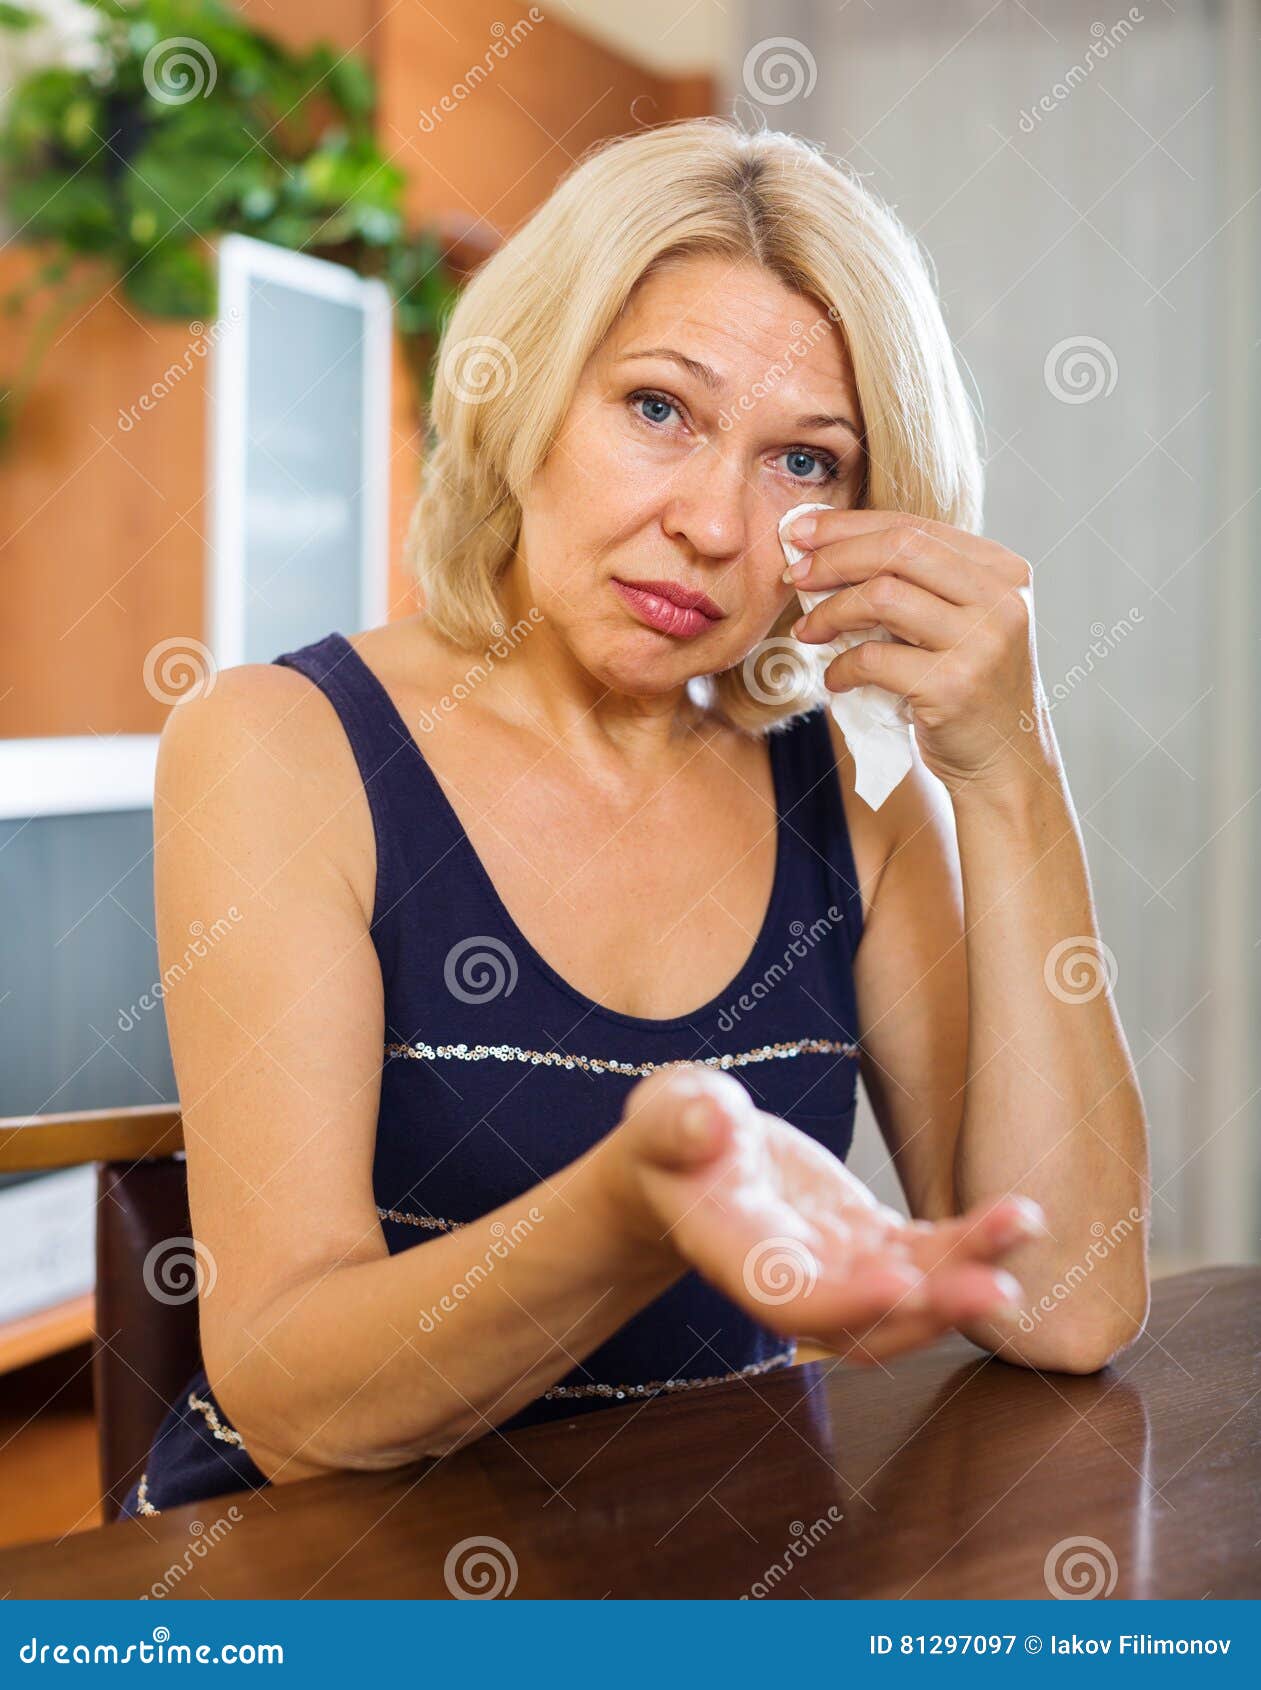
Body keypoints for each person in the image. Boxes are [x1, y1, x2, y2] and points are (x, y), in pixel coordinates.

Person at [119, 118, 1149, 1520]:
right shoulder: (281, 744)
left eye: (805, 462)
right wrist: (636, 1204)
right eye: (658, 409)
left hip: (707, 1555)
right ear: (529, 393)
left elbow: (1068, 1305)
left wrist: (1008, 768)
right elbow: (293, 1402)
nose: (713, 525)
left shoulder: (849, 802)